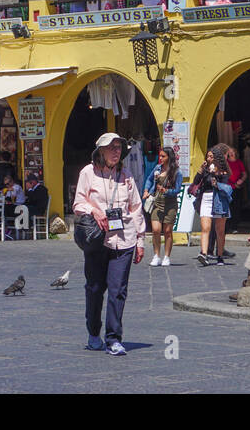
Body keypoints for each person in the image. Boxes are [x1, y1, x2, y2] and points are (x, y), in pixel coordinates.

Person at [73, 133, 145, 356]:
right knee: (95, 289)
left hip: (124, 240)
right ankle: (94, 332)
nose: (116, 151)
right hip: (97, 241)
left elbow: (136, 209)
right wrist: (94, 210)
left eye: (119, 148)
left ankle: (113, 338)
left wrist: (140, 240)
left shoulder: (126, 176)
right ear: (100, 151)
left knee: (118, 290)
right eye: (111, 147)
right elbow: (78, 202)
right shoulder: (88, 172)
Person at [142, 147, 182, 266]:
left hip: (170, 204)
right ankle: (156, 255)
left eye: (163, 156)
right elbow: (149, 179)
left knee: (168, 231)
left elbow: (177, 190)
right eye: (160, 156)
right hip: (157, 203)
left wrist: (166, 191)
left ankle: (166, 256)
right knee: (156, 230)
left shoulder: (177, 172)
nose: (160, 158)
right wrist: (146, 190)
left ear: (169, 157)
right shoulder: (157, 168)